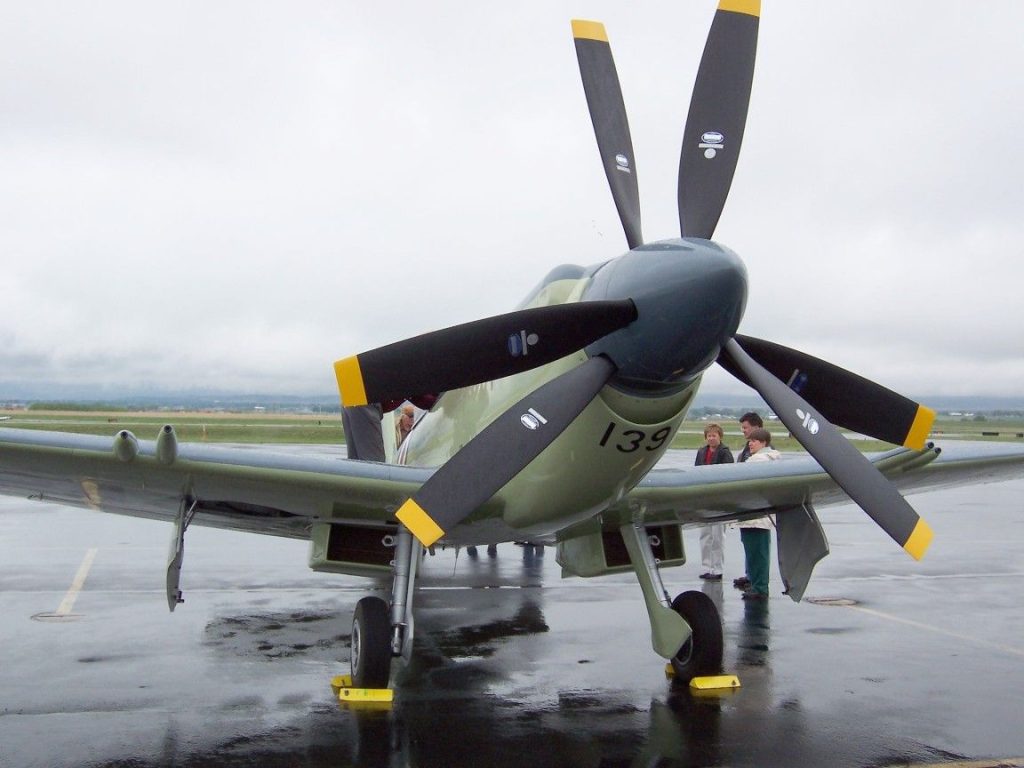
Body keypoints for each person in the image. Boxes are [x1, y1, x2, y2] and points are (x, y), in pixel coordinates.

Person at [738, 427, 781, 600]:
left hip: (754, 515)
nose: (750, 444)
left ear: (763, 443)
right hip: (757, 514)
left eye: (754, 441)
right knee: (757, 552)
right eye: (750, 441)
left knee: (756, 553)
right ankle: (757, 584)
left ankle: (759, 587)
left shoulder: (758, 461)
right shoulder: (769, 459)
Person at [694, 423, 733, 580]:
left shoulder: (725, 453)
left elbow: (729, 475)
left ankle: (717, 568)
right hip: (704, 499)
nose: (711, 438)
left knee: (717, 536)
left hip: (719, 500)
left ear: (720, 436)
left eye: (714, 435)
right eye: (709, 436)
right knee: (705, 535)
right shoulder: (701, 452)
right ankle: (706, 566)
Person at [733, 411, 765, 590]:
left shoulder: (765, 452)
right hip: (746, 505)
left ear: (756, 428)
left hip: (757, 506)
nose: (743, 431)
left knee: (758, 547)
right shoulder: (747, 449)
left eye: (746, 428)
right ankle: (750, 575)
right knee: (749, 543)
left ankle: (758, 583)